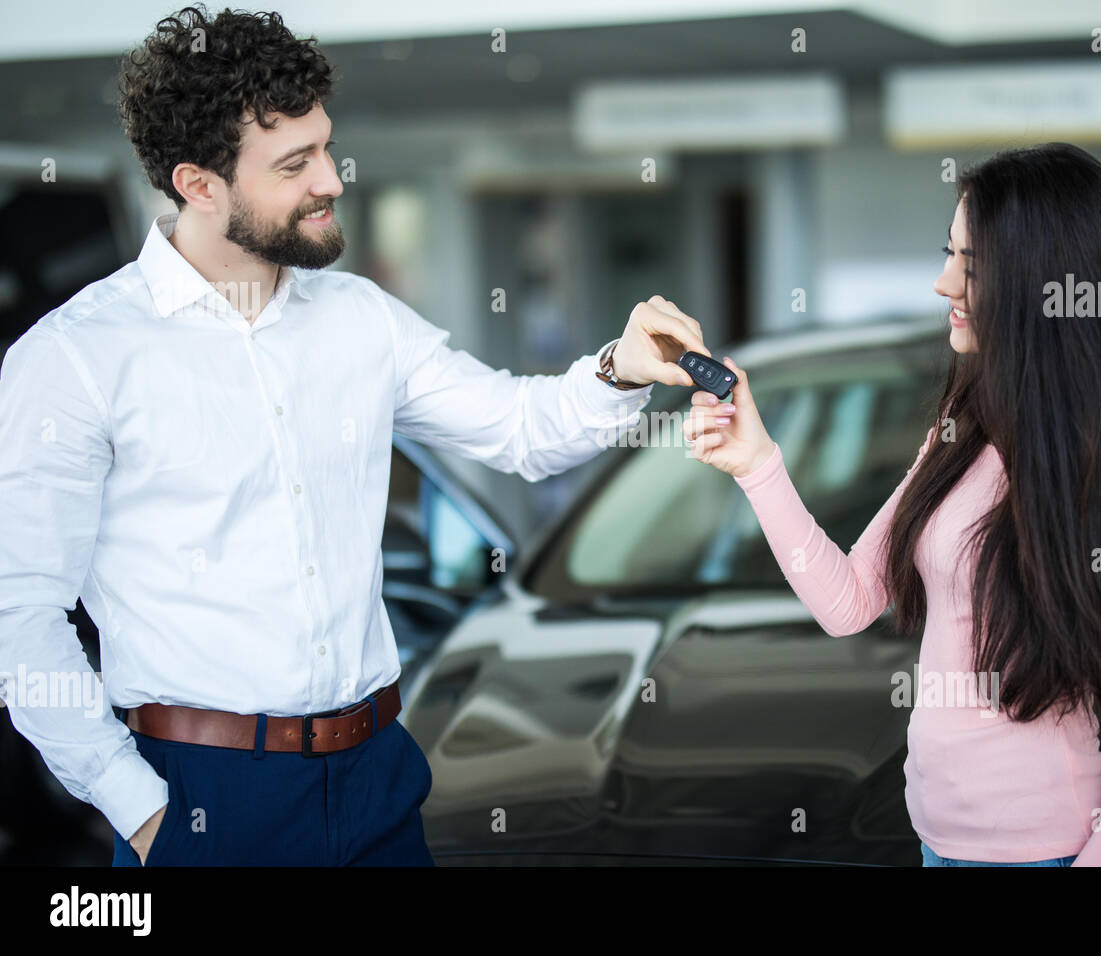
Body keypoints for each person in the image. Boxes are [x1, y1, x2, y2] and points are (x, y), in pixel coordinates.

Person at [0, 6, 710, 866]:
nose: (332, 180)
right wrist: (138, 808)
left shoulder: (360, 319)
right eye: (295, 164)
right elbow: (21, 618)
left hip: (378, 781)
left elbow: (519, 428)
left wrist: (619, 368)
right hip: (200, 797)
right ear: (198, 184)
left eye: (325, 147)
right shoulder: (76, 358)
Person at [684, 142, 1101, 867]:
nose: (942, 283)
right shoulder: (962, 431)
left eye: (970, 264)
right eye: (948, 253)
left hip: (1049, 853)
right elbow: (846, 604)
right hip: (936, 847)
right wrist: (757, 464)